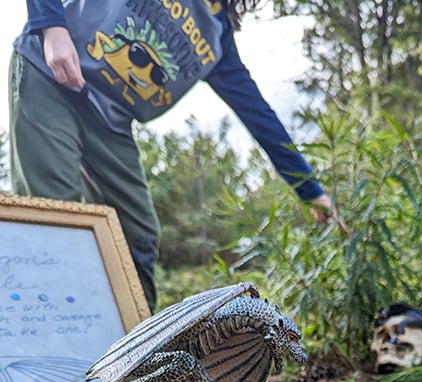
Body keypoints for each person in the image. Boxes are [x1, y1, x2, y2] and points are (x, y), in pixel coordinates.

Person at [10, 1, 339, 311]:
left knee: (137, 236)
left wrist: (311, 192)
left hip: (110, 121)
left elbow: (261, 118)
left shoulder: (217, 38)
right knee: (56, 216)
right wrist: (50, 24)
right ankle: (41, 348)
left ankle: (129, 352)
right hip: (48, 77)